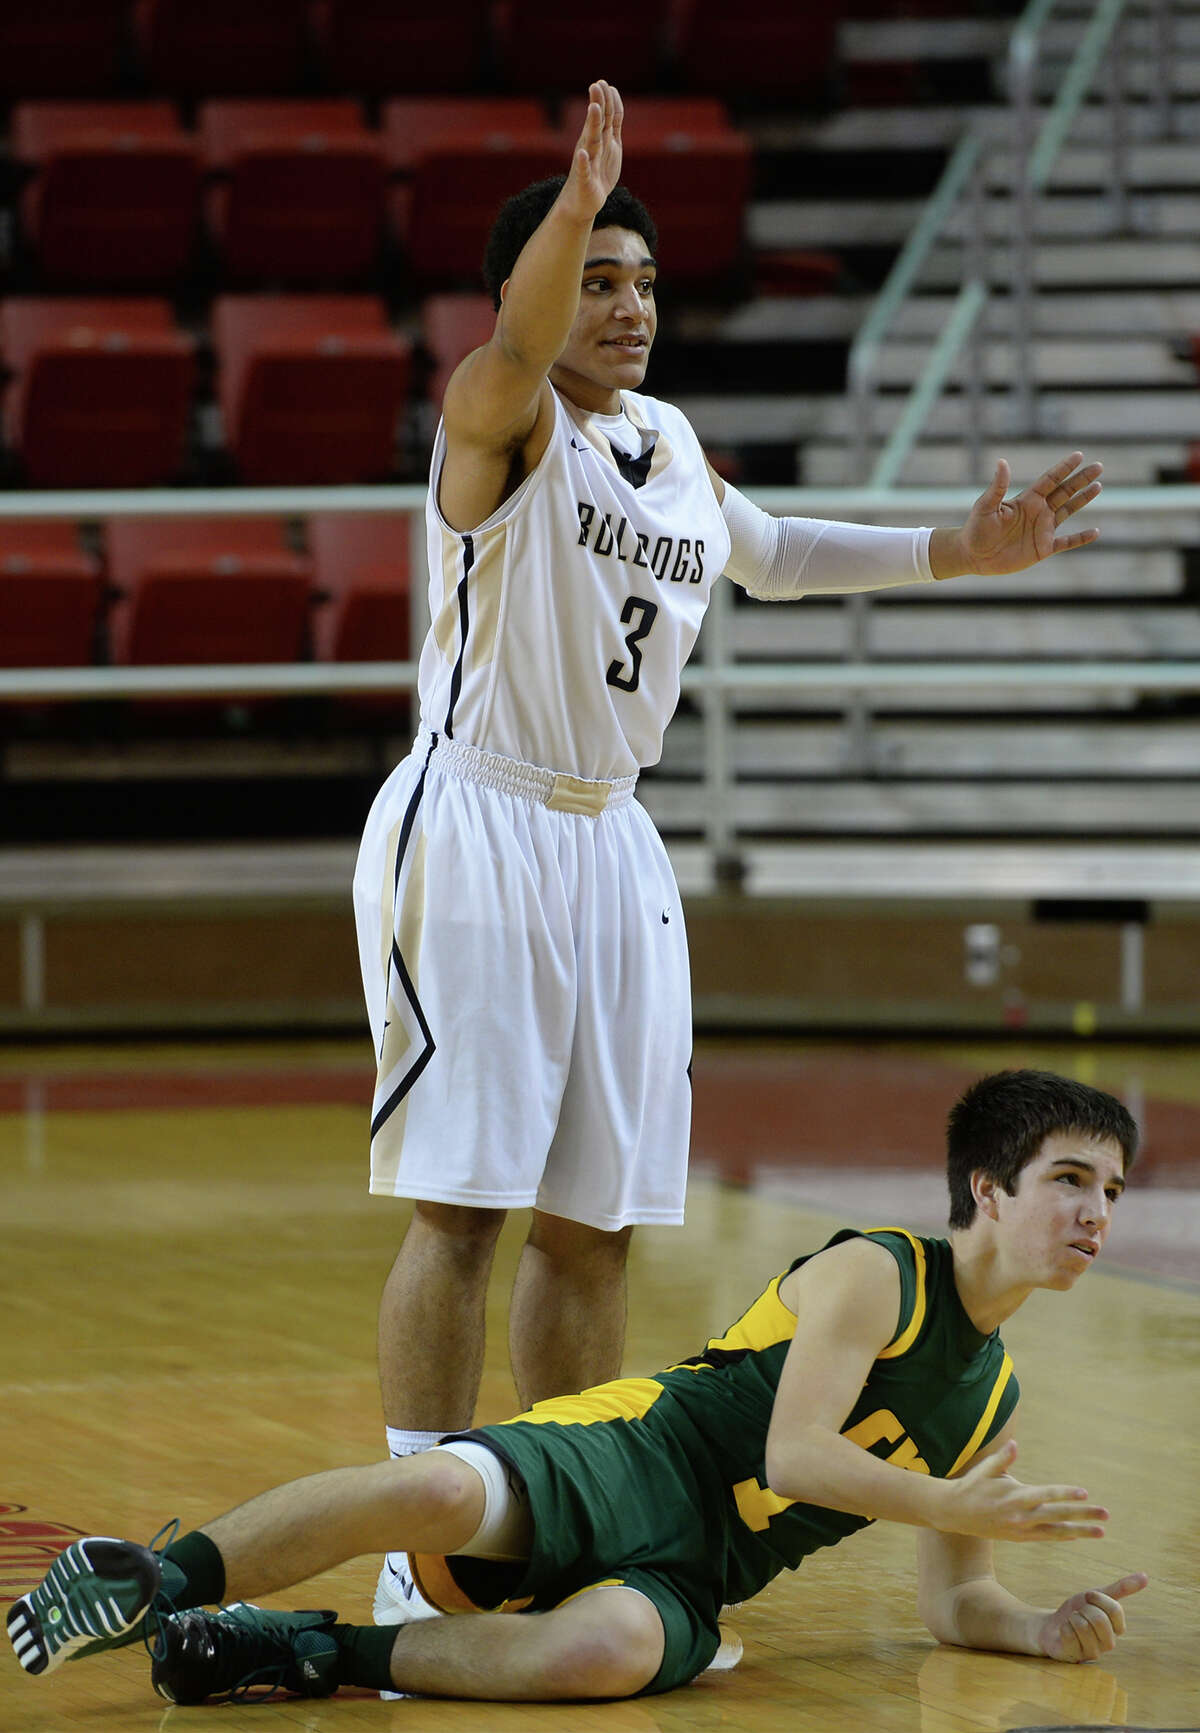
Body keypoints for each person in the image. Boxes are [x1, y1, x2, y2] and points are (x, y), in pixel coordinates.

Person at [352, 76, 1106, 1625]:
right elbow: (511, 348)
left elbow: (774, 558)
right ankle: (413, 1532)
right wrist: (572, 209)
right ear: (537, 290)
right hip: (479, 820)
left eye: (643, 281)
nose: (630, 306)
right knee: (464, 1203)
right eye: (598, 280)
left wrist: (957, 551)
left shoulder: (676, 444)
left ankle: (559, 1512)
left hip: (613, 845)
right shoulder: (499, 420)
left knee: (594, 1218)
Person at [9, 1069, 1149, 1706]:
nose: (1097, 1210)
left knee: (600, 1659)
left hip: (697, 1569)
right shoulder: (878, 1270)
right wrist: (952, 1503)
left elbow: (956, 1604)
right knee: (431, 1496)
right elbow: (794, 1457)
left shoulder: (991, 1395)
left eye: (1112, 1187)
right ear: (989, 1190)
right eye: (1069, 1178)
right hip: (639, 1449)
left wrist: (1042, 1628)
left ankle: (295, 1647)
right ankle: (161, 1577)